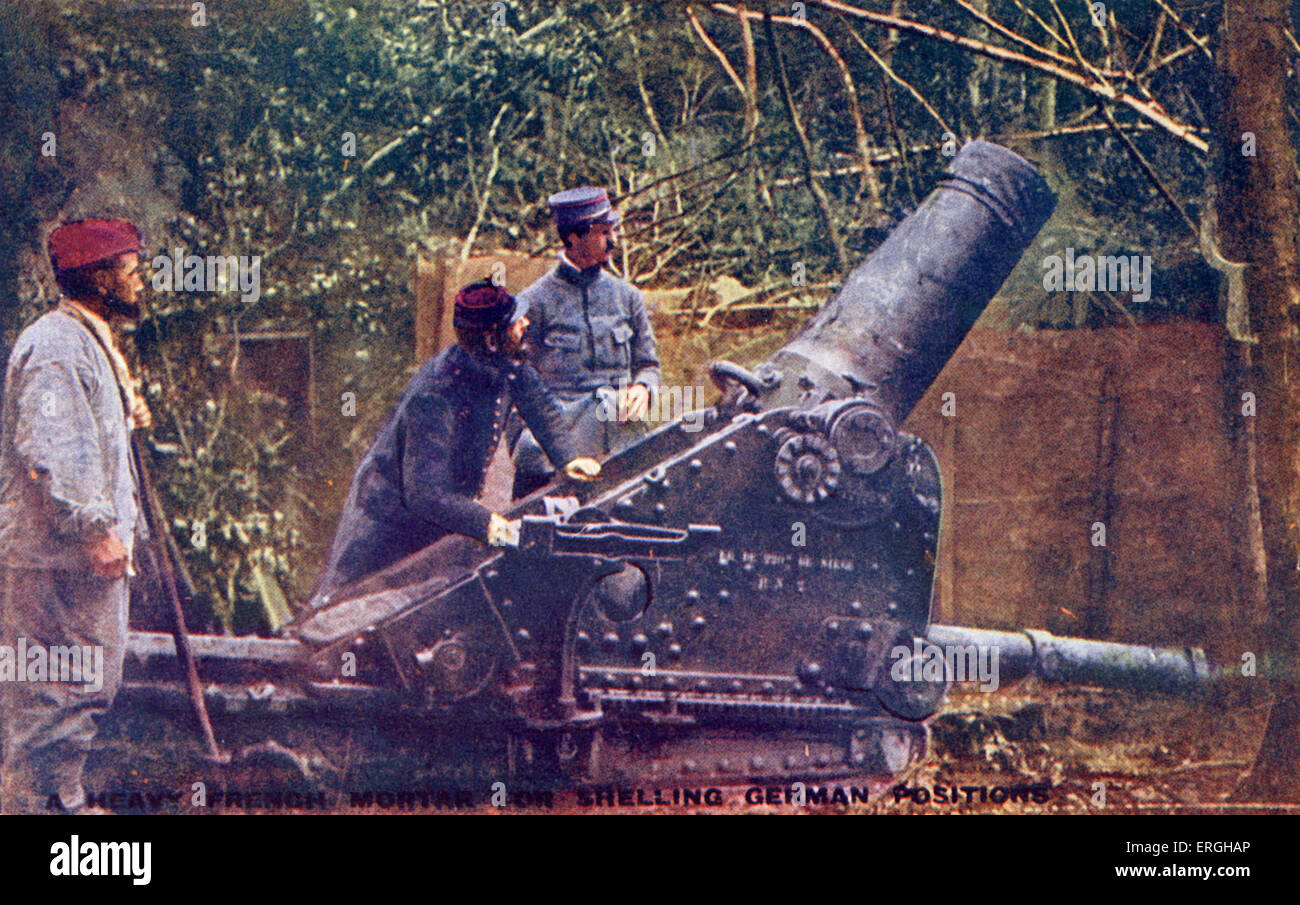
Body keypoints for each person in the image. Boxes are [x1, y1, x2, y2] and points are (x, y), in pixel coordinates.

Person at [312, 280, 601, 603]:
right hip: (388, 521)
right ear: (492, 338)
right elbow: (425, 494)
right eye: (515, 321)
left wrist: (567, 458)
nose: (526, 323)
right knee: (345, 610)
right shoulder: (435, 395)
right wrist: (485, 522)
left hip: (439, 513)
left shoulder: (505, 362)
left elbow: (538, 403)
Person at [0, 217, 152, 814]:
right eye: (132, 271)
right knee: (64, 684)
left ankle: (57, 802)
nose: (140, 283)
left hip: (76, 554)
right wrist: (95, 527)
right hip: (61, 556)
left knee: (80, 681)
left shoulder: (86, 339)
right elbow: (52, 452)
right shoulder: (57, 346)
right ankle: (46, 810)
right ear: (100, 277)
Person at [510, 186, 660, 498]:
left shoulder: (628, 298)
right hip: (558, 453)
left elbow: (648, 365)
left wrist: (643, 387)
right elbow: (514, 385)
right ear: (575, 239)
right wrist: (527, 448)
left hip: (621, 443)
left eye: (613, 230)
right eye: (603, 232)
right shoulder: (533, 304)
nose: (613, 241)